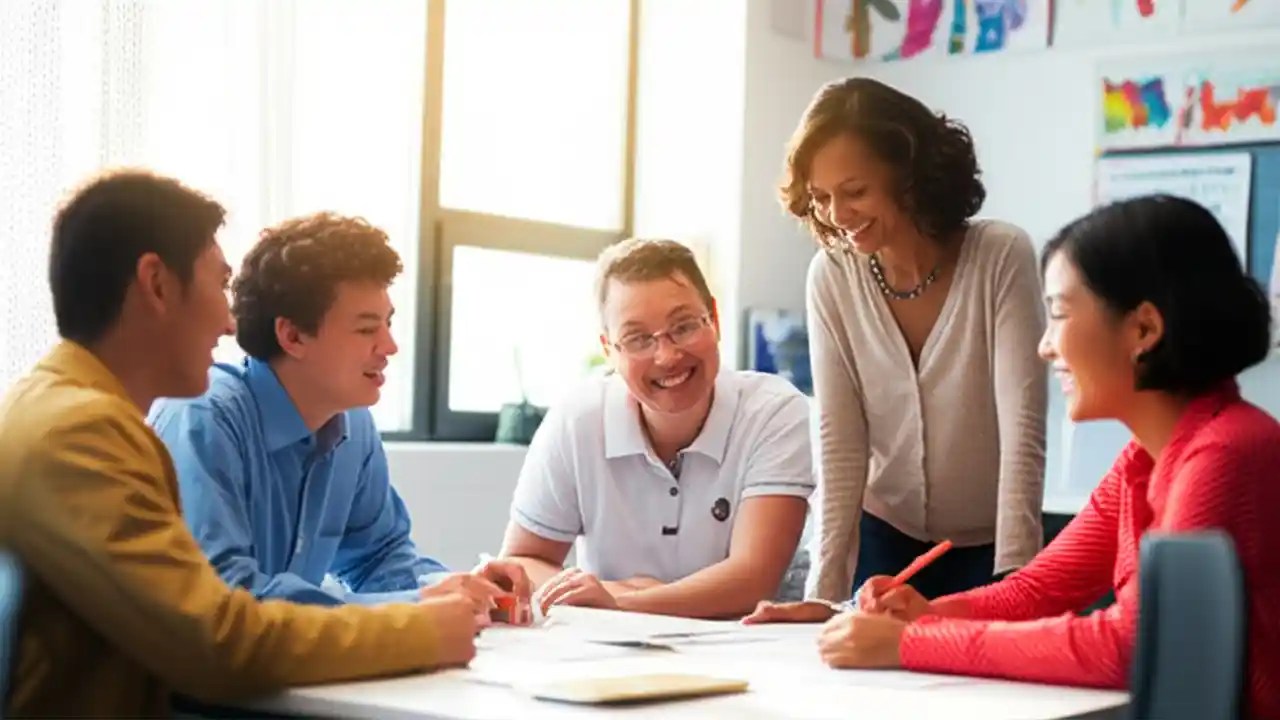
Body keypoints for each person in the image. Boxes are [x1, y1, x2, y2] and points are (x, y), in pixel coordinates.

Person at [0, 171, 478, 717]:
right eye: (217, 283)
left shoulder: (68, 409)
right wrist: (418, 629)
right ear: (156, 284)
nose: (230, 323)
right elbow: (215, 639)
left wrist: (438, 594)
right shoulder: (78, 433)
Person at [810, 195, 1280, 720]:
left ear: (1143, 331)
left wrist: (908, 645)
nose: (1045, 347)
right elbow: (1038, 590)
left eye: (1057, 315)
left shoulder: (1226, 452)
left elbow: (1135, 643)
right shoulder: (1145, 459)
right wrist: (923, 616)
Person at [749, 77, 1047, 622]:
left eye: (855, 191)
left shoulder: (1000, 256)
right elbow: (839, 439)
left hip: (987, 549)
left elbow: (1022, 429)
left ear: (909, 177)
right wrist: (824, 593)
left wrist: (1016, 581)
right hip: (882, 540)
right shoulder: (832, 277)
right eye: (821, 197)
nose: (837, 214)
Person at [147, 212, 530, 619]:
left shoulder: (353, 424)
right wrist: (414, 607)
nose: (390, 346)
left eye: (388, 324)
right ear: (292, 336)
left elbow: (379, 559)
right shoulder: (203, 417)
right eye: (367, 330)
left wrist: (462, 589)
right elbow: (223, 596)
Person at [498, 238, 814, 618]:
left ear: (714, 319)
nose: (667, 356)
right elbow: (522, 561)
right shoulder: (577, 420)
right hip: (612, 652)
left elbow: (752, 579)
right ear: (609, 350)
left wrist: (620, 600)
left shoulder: (774, 411)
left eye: (683, 327)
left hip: (745, 644)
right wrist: (612, 592)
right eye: (637, 339)